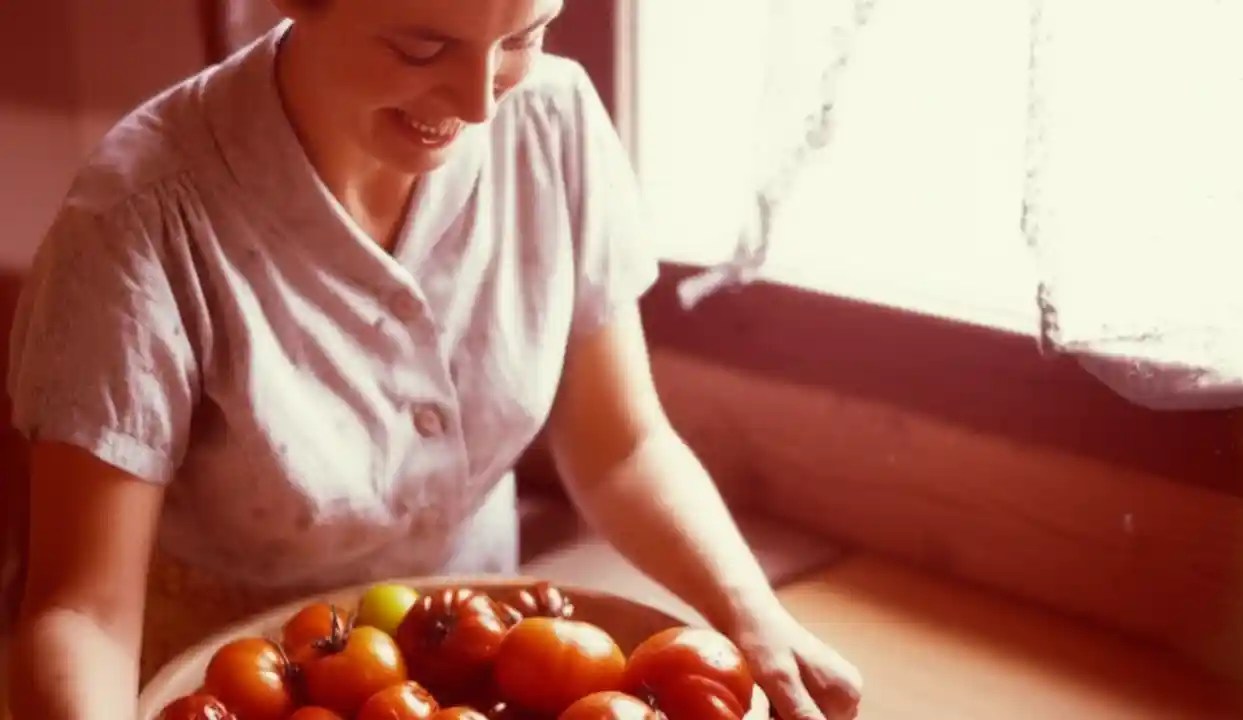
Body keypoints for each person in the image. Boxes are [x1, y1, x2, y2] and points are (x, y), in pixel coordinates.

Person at [4, 1, 864, 718]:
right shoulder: (138, 217)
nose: (483, 102)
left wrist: (752, 617)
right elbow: (82, 611)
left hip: (483, 668)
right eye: (424, 45)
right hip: (237, 685)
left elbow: (622, 450)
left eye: (525, 35)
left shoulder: (554, 118)